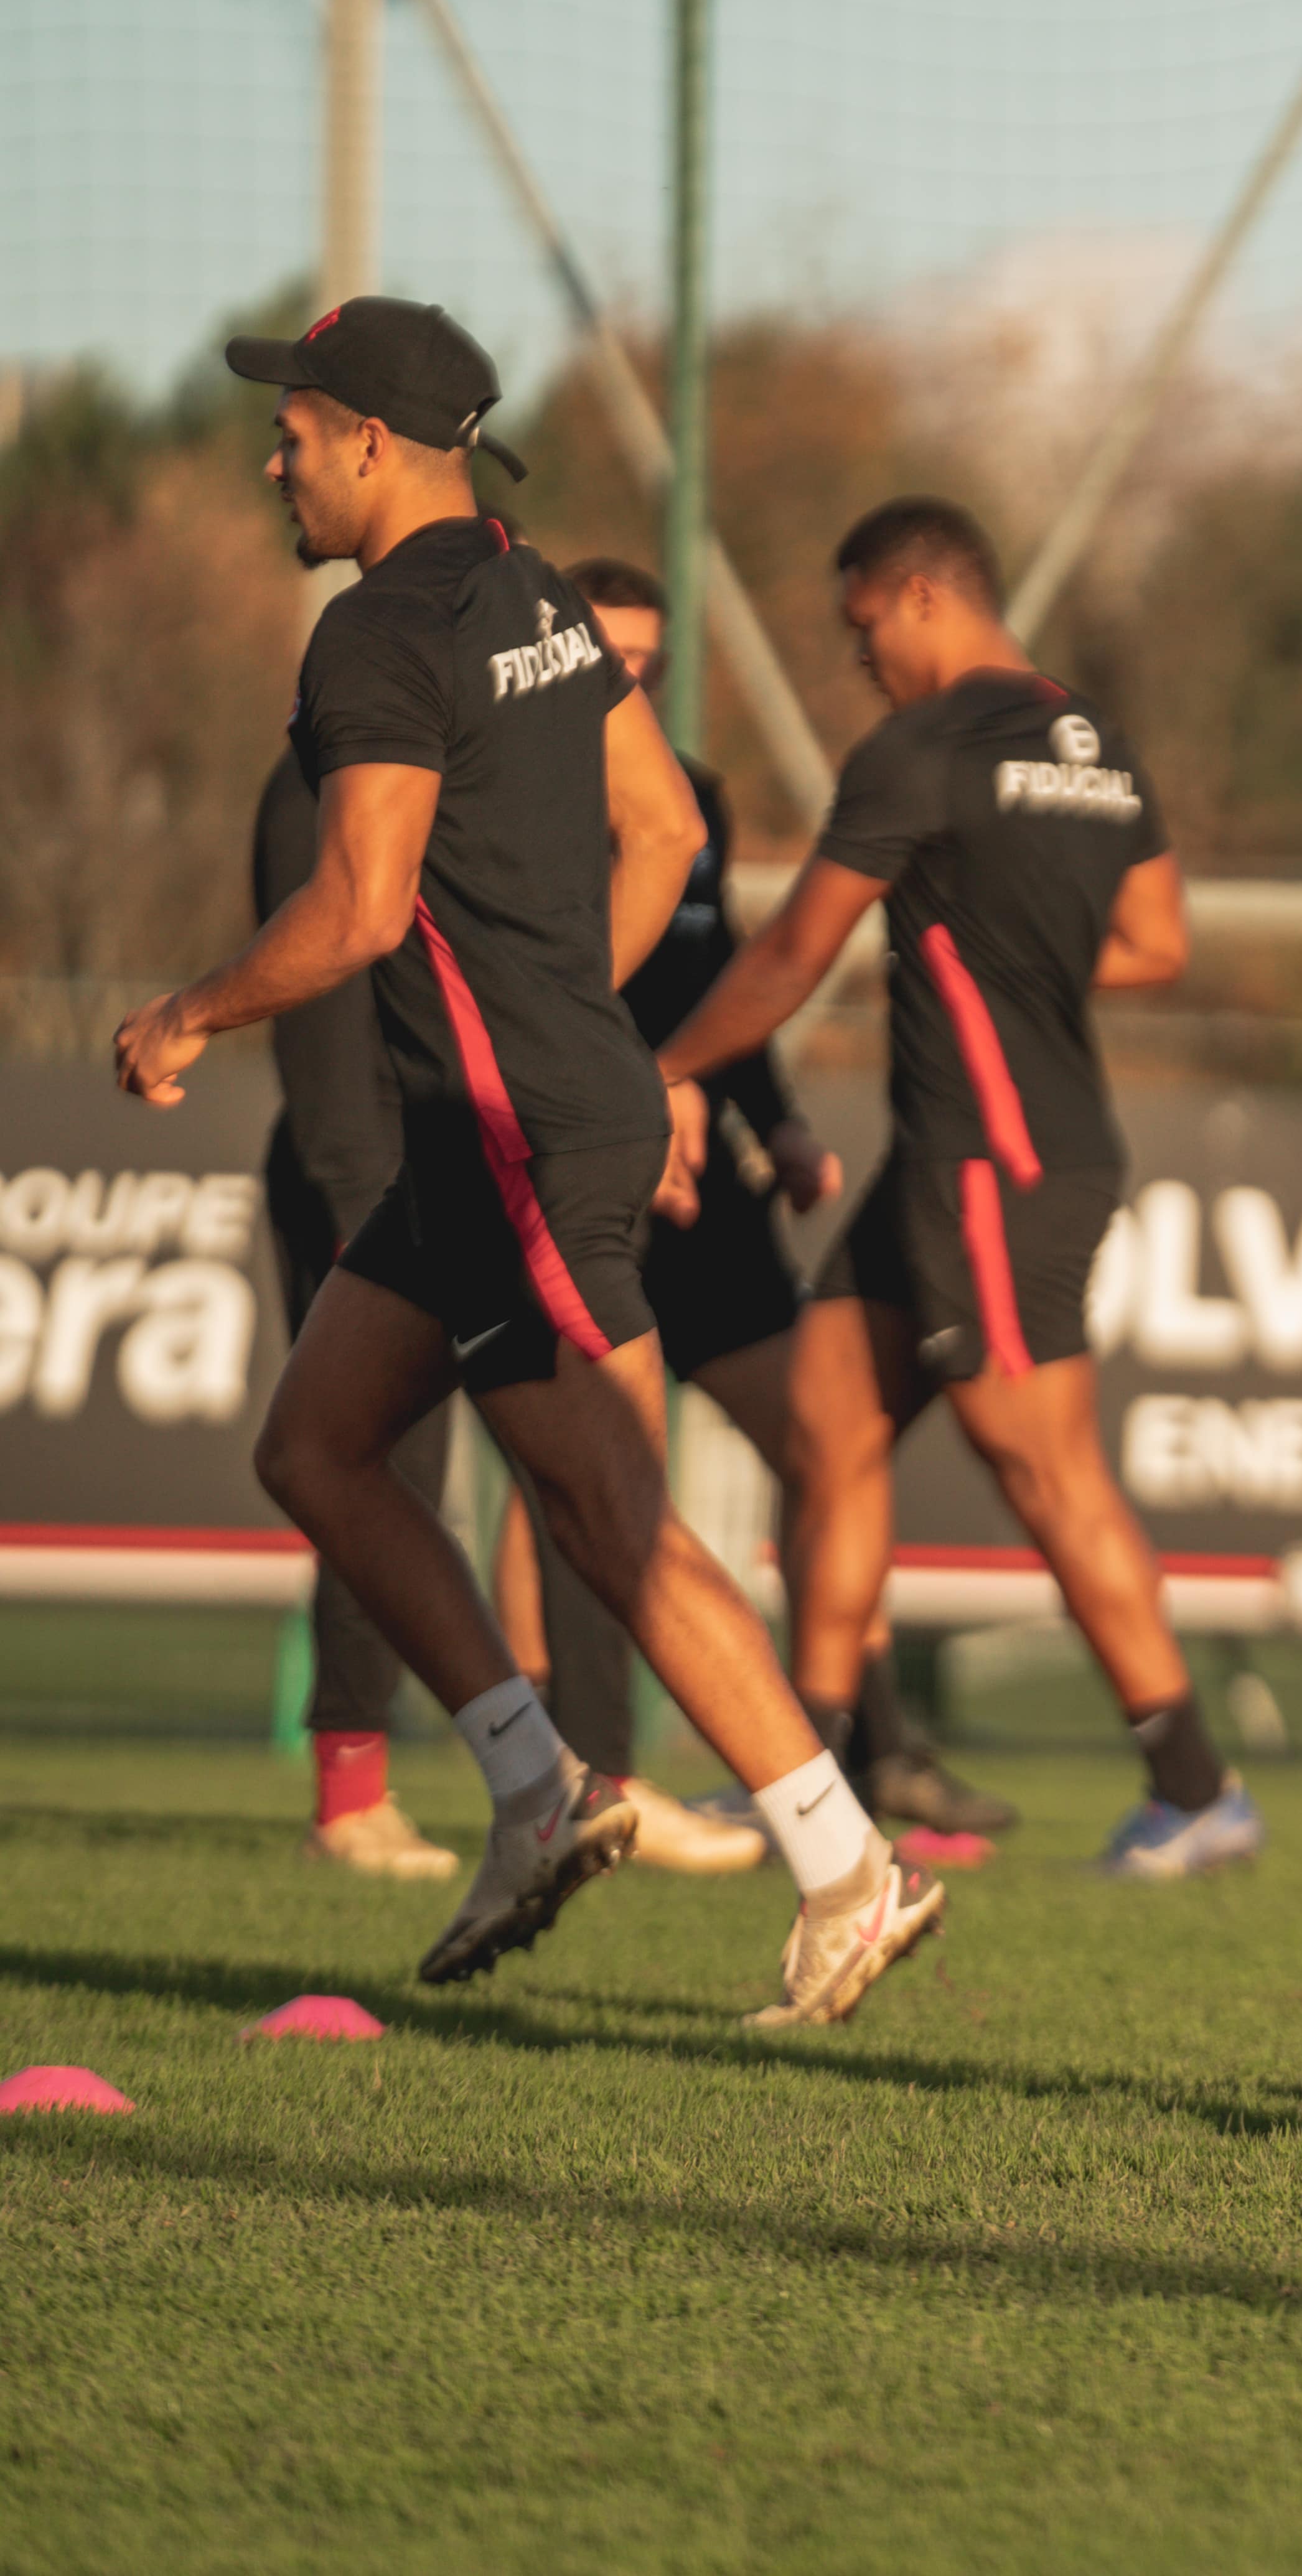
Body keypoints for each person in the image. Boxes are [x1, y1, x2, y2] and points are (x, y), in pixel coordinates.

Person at [118, 297, 937, 2022]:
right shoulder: (533, 585)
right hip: (511, 1120)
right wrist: (575, 1018)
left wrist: (189, 1013)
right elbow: (670, 827)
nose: (273, 456)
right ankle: (537, 1789)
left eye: (293, 428)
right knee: (319, 1447)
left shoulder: (374, 632)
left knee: (612, 1520)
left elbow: (360, 906)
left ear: (370, 443)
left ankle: (849, 1868)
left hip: (510, 1135)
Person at [654, 497, 1252, 1878]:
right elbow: (1157, 942)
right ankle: (810, 1781)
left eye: (863, 623)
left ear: (921, 595)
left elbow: (790, 952)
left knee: (1046, 1470)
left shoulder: (918, 749)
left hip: (996, 1159)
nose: (860, 655)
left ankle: (1196, 1788)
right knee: (827, 1426)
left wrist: (661, 1068)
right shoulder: (1093, 742)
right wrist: (1011, 951)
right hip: (976, 1151)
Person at [485, 557, 1005, 1864]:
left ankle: (873, 1747)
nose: (628, 682)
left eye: (648, 664)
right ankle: (578, 1770)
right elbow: (527, 994)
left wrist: (774, 1121)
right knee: (574, 1472)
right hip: (579, 1162)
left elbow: (719, 973)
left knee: (826, 1446)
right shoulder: (506, 788)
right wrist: (634, 1094)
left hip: (703, 1189)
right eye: (606, 658)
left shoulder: (689, 797)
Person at [253, 735, 459, 1882]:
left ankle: (576, 1769)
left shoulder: (466, 763)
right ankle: (350, 1795)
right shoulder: (324, 773)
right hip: (374, 1193)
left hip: (466, 1176)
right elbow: (320, 1014)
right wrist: (358, 1214)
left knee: (568, 1471)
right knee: (378, 1473)